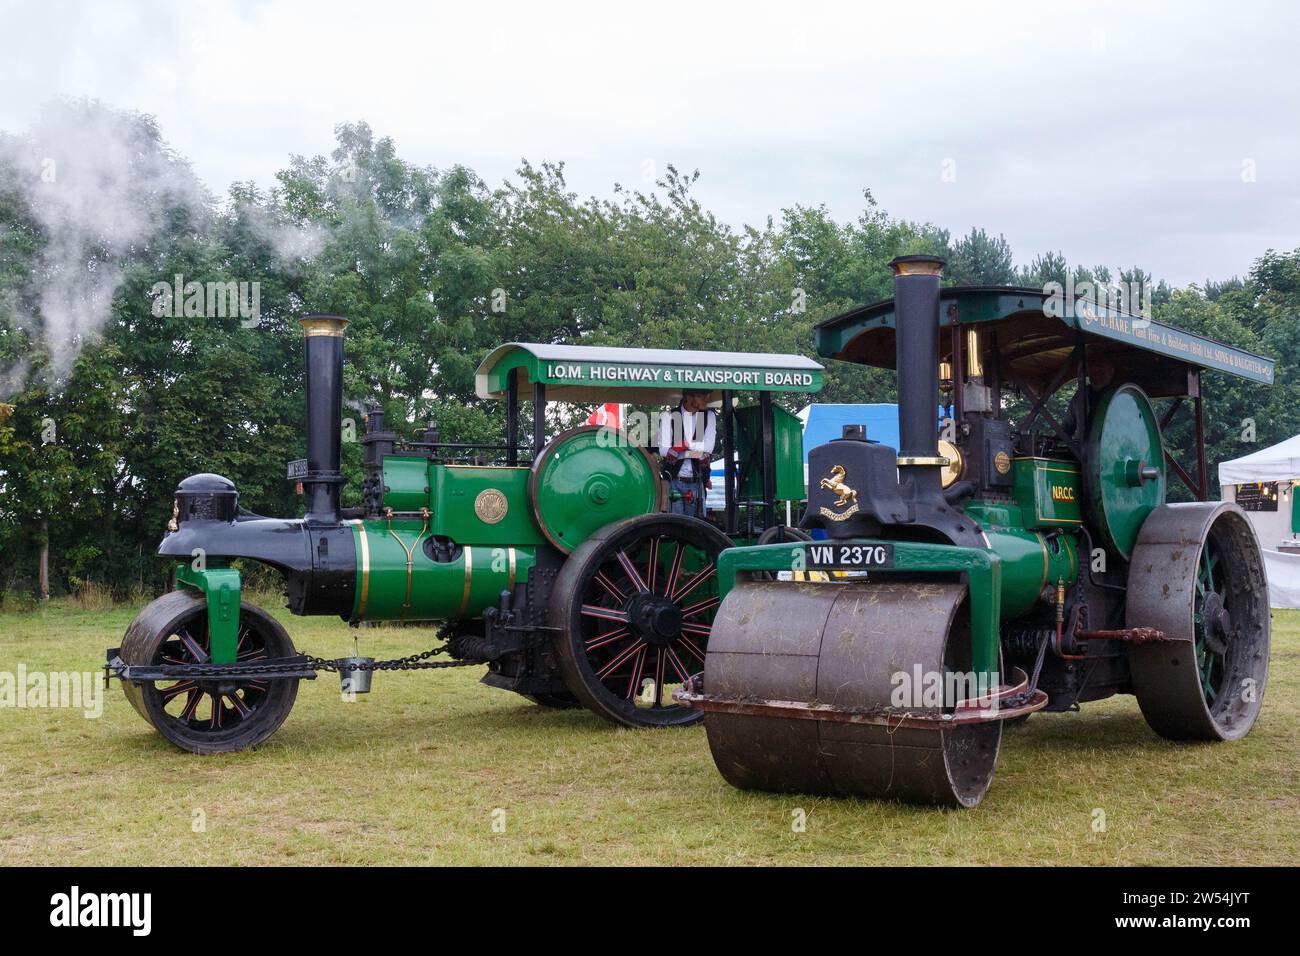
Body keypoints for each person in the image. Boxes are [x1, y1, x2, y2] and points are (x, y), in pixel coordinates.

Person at [658, 389, 716, 518]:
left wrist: (682, 446)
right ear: (689, 398)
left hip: (697, 480)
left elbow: (708, 448)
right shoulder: (669, 415)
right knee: (674, 526)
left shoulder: (708, 416)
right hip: (674, 480)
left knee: (696, 528)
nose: (707, 399)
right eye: (702, 395)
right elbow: (663, 450)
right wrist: (697, 452)